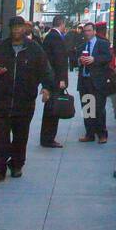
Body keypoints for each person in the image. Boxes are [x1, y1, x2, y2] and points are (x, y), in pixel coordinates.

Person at [0, 16, 55, 180]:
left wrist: (47, 88)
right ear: (10, 29)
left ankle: (16, 164)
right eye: (14, 27)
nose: (17, 30)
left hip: (24, 101)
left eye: (19, 27)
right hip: (0, 100)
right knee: (0, 135)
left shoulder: (34, 49)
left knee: (20, 136)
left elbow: (45, 69)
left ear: (24, 29)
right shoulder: (0, 47)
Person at [77, 20, 113, 144]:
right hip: (84, 80)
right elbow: (74, 59)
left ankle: (102, 134)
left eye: (89, 30)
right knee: (87, 108)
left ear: (94, 31)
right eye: (85, 31)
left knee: (99, 108)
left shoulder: (102, 44)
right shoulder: (82, 46)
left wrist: (94, 59)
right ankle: (89, 134)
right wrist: (79, 60)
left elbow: (108, 57)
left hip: (98, 81)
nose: (87, 33)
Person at [40, 16, 70, 148]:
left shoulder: (50, 37)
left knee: (51, 108)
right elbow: (59, 61)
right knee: (53, 109)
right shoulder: (56, 38)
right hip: (55, 79)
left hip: (51, 78)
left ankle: (47, 137)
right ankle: (48, 138)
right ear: (62, 24)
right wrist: (62, 79)